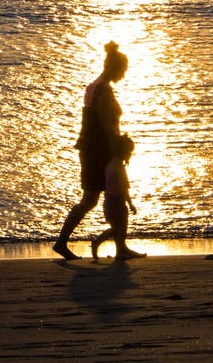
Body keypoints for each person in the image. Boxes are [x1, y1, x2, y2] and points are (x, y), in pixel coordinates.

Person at [52, 41, 128, 261]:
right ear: (115, 67)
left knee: (93, 199)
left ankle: (64, 242)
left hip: (90, 150)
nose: (124, 74)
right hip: (99, 152)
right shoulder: (103, 90)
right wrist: (118, 149)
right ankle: (64, 242)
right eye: (123, 69)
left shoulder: (94, 86)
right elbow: (106, 125)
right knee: (109, 196)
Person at [91, 133, 146, 261]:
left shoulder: (109, 165)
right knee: (119, 229)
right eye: (129, 152)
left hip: (108, 201)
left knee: (116, 228)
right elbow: (124, 189)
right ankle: (100, 243)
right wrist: (131, 204)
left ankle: (120, 250)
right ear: (124, 151)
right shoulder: (119, 168)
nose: (130, 155)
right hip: (117, 202)